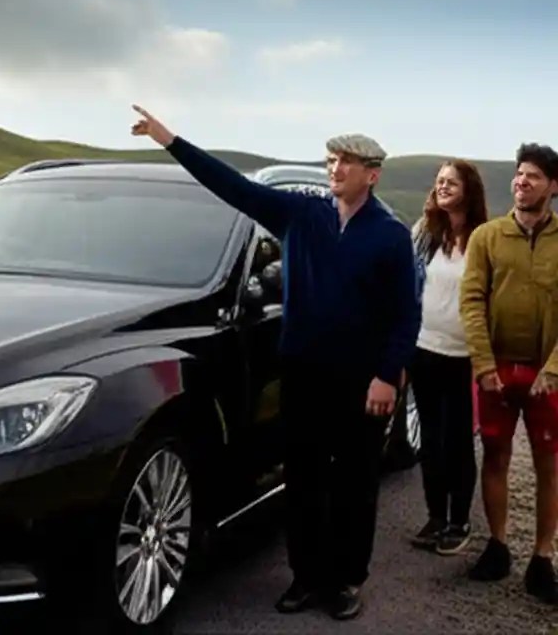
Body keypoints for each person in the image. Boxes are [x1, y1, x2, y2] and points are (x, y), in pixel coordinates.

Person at [130, 105, 420, 621]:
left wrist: (386, 376)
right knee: (304, 480)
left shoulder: (390, 236)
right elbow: (234, 189)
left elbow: (405, 314)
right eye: (331, 160)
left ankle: (348, 580)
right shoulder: (300, 215)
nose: (335, 169)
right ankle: (306, 577)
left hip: (360, 382)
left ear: (371, 175)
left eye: (347, 163)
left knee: (354, 486)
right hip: (304, 376)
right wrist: (170, 140)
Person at [459, 142, 558, 604]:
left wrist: (554, 371)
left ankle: (542, 559)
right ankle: (497, 547)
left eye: (533, 176)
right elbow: (472, 301)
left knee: (548, 466)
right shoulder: (488, 237)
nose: (522, 181)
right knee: (495, 456)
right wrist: (482, 364)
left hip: (547, 375)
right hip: (496, 370)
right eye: (519, 174)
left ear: (552, 187)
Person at [407, 159, 489, 555]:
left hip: (463, 355)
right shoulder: (425, 233)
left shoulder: (484, 239)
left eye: (451, 182)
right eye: (439, 181)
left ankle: (460, 521)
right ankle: (435, 516)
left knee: (457, 440)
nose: (442, 187)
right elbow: (407, 285)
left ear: (468, 190)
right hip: (423, 349)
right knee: (431, 438)